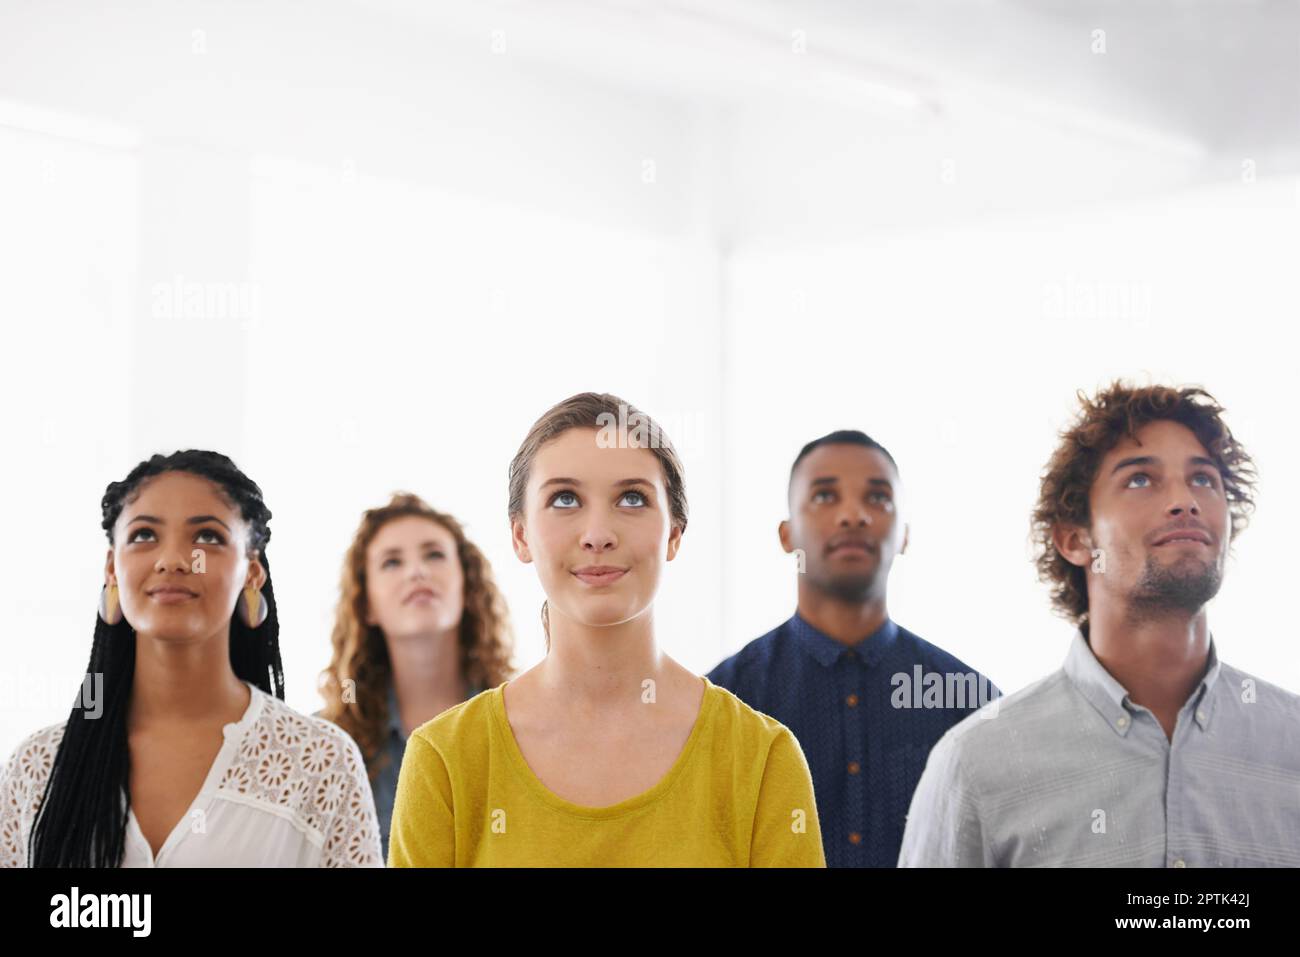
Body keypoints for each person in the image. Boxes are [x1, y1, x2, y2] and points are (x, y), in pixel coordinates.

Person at [388, 392, 825, 866]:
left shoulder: (762, 758)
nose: (598, 533)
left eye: (632, 498)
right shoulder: (444, 759)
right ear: (520, 535)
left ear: (674, 534)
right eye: (565, 499)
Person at [899, 382, 1300, 867]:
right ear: (1073, 539)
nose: (1185, 501)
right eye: (1139, 480)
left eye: (1203, 480)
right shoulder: (977, 764)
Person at [0, 450, 382, 867]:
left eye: (208, 537)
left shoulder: (321, 762)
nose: (173, 561)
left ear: (252, 573)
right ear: (112, 568)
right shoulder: (37, 768)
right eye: (144, 535)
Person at [708, 430, 999, 867]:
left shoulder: (969, 701)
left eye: (878, 498)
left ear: (904, 535)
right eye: (825, 496)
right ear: (787, 534)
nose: (853, 514)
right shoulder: (727, 700)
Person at [317, 492, 515, 860]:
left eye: (434, 554)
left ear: (467, 587)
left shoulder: (523, 723)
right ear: (367, 605)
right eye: (392, 562)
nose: (416, 571)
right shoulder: (328, 746)